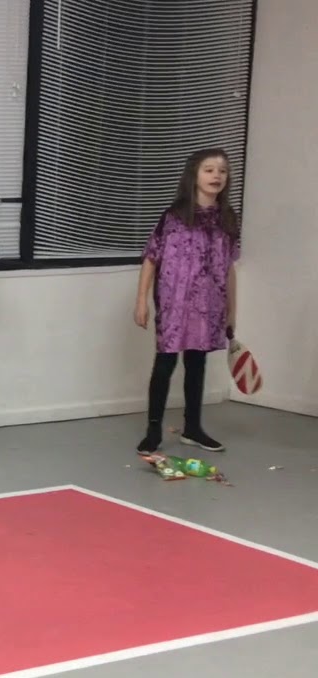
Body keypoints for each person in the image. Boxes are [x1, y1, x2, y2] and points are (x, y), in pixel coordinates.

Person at [134, 148, 241, 454]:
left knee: (197, 363)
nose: (216, 176)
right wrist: (141, 300)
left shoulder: (228, 219)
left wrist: (232, 308)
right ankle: (153, 430)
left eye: (222, 170)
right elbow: (151, 258)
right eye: (209, 170)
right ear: (194, 175)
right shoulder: (174, 216)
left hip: (210, 304)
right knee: (165, 363)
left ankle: (193, 428)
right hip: (174, 302)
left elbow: (229, 266)